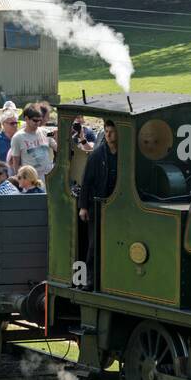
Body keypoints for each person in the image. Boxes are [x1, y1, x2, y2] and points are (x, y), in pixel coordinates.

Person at [79, 120, 118, 288]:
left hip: (117, 205)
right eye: (106, 131)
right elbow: (86, 181)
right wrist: (83, 206)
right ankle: (90, 279)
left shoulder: (125, 154)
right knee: (94, 244)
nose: (108, 135)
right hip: (98, 205)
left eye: (112, 131)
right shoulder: (97, 155)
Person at [10, 102, 56, 181]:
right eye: (35, 120)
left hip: (48, 178)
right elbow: (16, 163)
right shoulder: (17, 137)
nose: (38, 123)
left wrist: (57, 138)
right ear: (26, 119)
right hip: (30, 180)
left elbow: (57, 149)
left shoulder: (46, 132)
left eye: (40, 120)